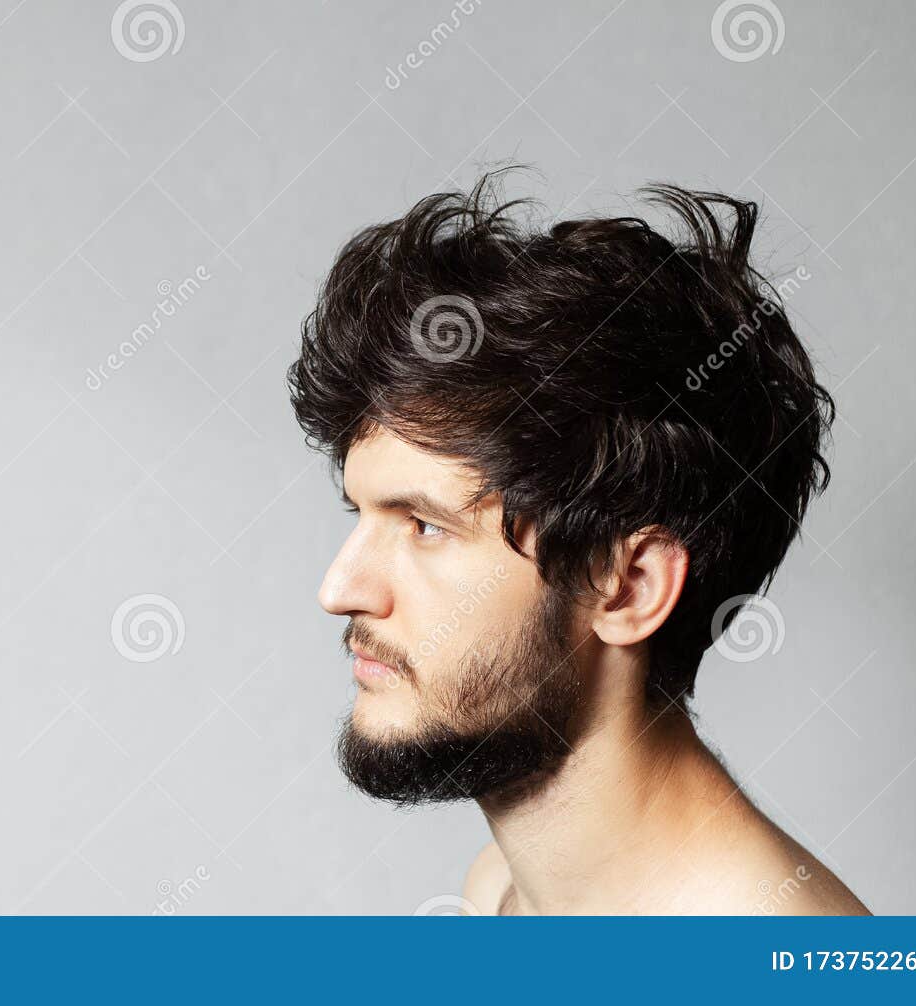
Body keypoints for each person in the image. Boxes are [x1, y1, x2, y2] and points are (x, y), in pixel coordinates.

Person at [286, 169, 869, 915]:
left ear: (628, 587)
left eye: (426, 526)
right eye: (359, 515)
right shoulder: (501, 889)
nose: (340, 590)